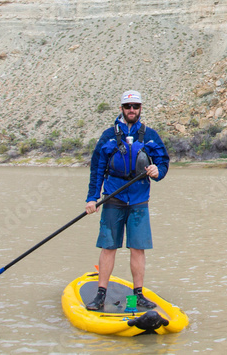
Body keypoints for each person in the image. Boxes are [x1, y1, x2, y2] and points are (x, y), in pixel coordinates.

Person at [84, 90, 170, 312]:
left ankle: (137, 297)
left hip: (139, 200)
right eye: (128, 106)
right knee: (108, 246)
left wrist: (156, 171)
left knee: (138, 248)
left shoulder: (150, 135)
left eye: (136, 106)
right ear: (121, 109)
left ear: (141, 108)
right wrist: (92, 198)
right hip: (113, 198)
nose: (132, 110)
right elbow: (97, 170)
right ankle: (100, 296)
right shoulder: (107, 136)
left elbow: (163, 162)